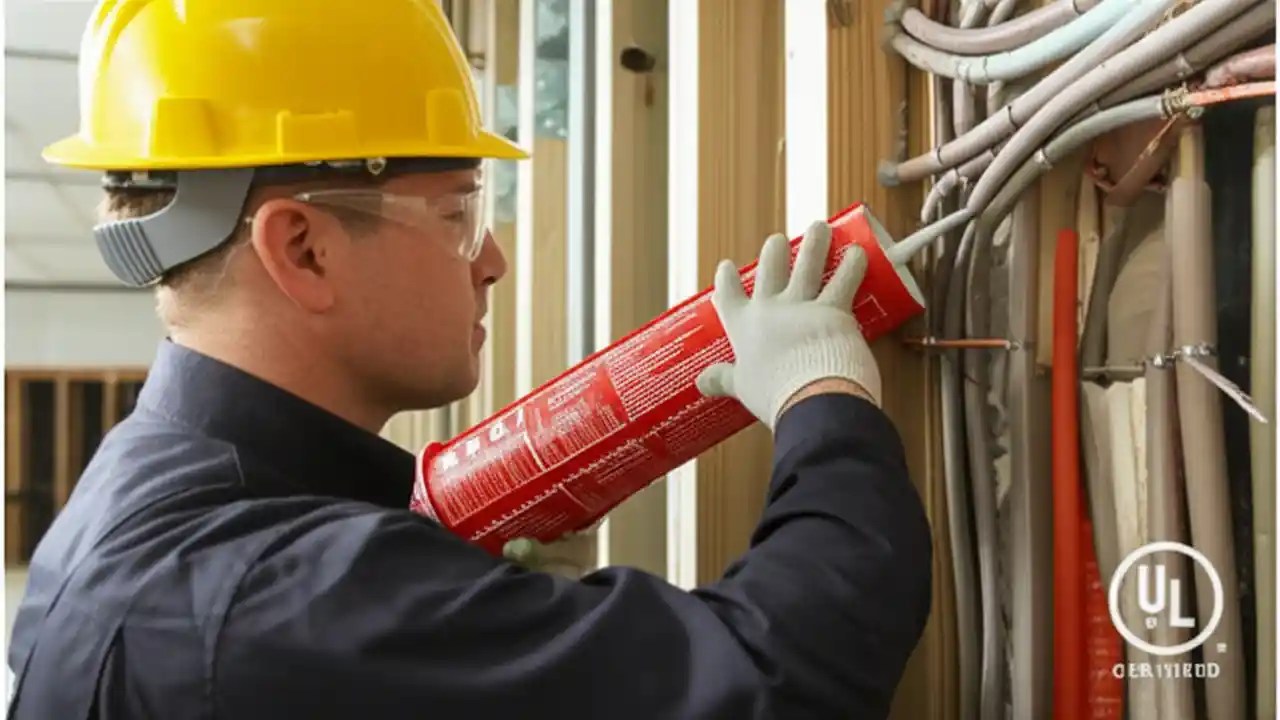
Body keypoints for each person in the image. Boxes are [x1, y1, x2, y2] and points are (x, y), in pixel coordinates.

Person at [6, 1, 933, 718]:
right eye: (459, 214)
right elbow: (779, 682)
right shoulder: (280, 599)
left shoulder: (131, 494)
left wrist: (478, 609)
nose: (492, 261)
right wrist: (824, 395)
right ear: (303, 251)